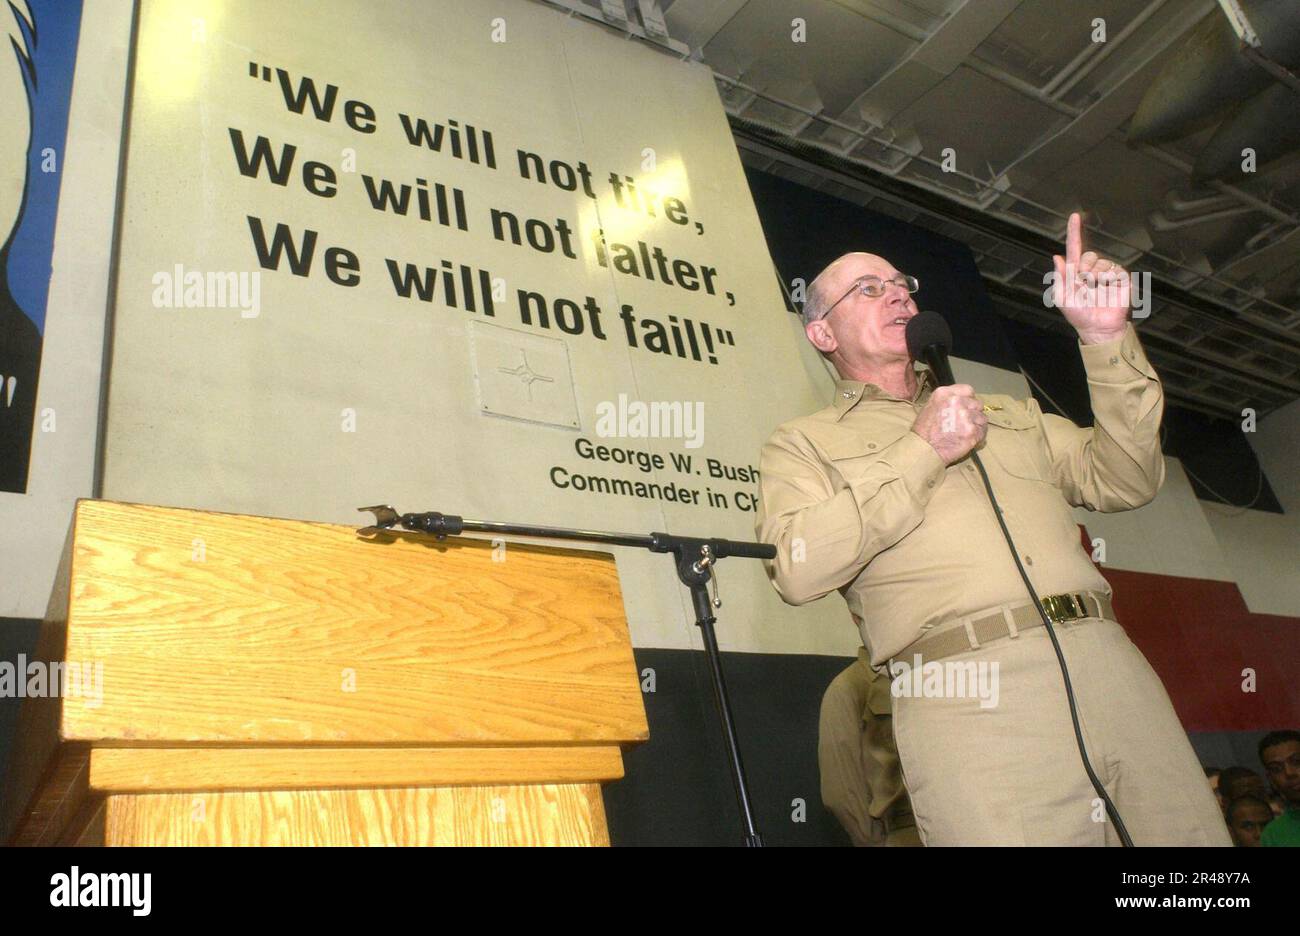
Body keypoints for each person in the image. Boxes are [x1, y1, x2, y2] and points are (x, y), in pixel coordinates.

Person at [755, 212, 1229, 846]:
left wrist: (1106, 340)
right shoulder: (802, 444)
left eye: (903, 283)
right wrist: (922, 451)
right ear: (821, 332)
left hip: (1110, 667)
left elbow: (1126, 479)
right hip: (967, 695)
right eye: (869, 288)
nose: (899, 293)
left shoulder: (1007, 413)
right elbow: (797, 565)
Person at [817, 649, 920, 846]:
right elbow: (841, 794)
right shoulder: (850, 686)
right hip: (903, 833)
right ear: (857, 619)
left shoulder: (931, 673)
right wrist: (878, 843)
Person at [1259, 730, 1300, 846]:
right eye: (1276, 769)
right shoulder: (1272, 835)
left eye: (1297, 761)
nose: (1289, 773)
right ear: (1271, 779)